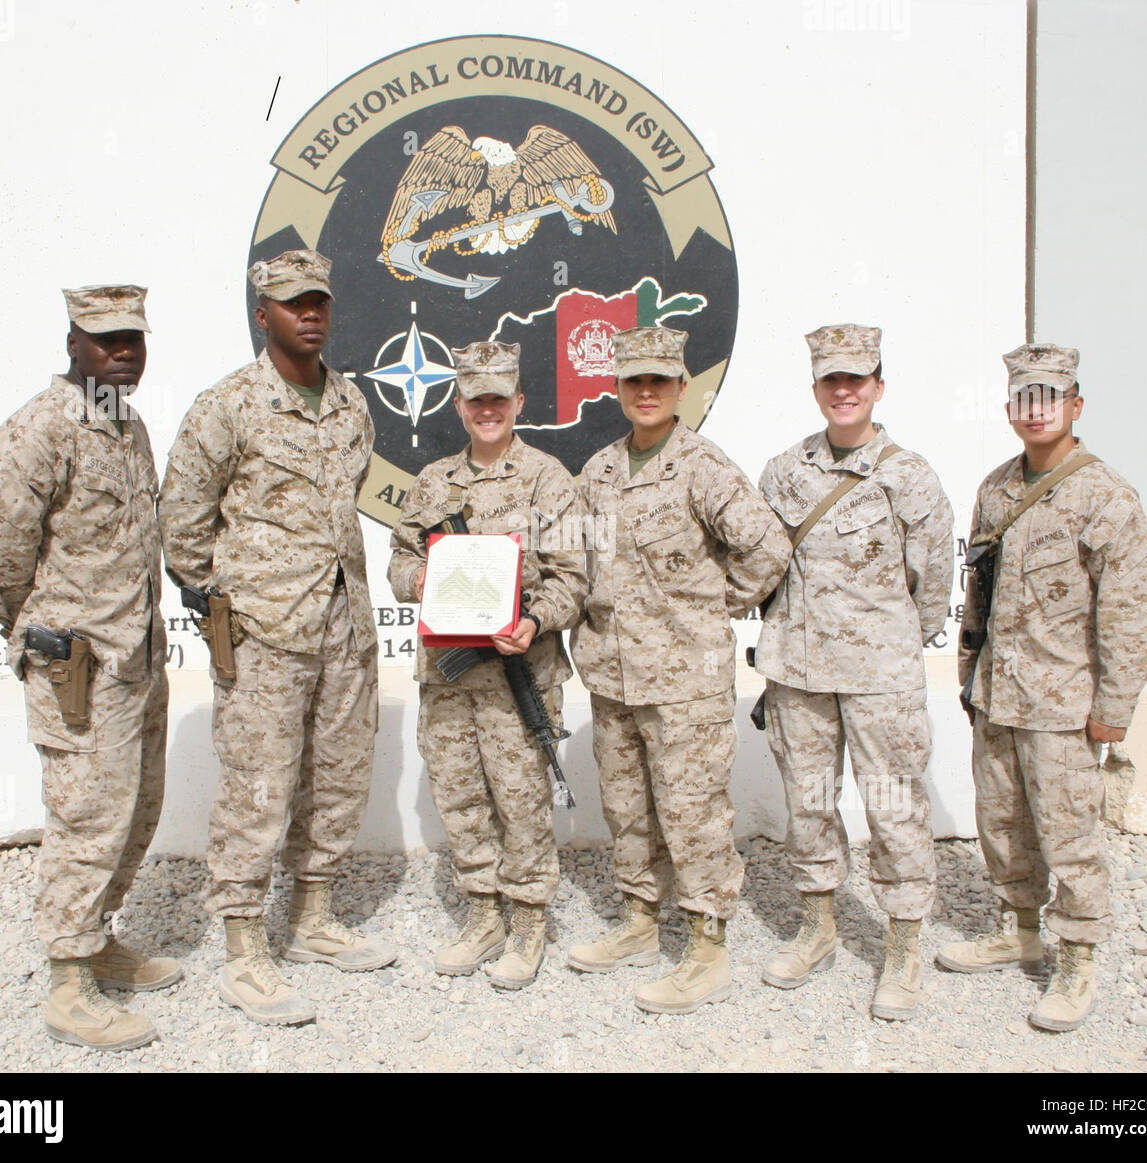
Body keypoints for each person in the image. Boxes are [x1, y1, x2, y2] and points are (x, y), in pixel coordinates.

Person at [158, 249, 393, 1027]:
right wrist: (232, 599)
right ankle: (243, 946)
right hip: (264, 630)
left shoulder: (352, 402)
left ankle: (314, 914)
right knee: (258, 785)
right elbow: (182, 519)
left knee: (338, 771)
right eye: (294, 303)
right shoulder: (228, 405)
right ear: (263, 315)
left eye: (319, 299)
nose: (310, 313)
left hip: (343, 620)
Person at [0, 284, 176, 1052]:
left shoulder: (127, 425)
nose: (122, 352)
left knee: (136, 808)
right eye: (104, 339)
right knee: (85, 820)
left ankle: (98, 937)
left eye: (132, 339)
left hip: (135, 657)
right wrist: (39, 631)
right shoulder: (39, 430)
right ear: (72, 345)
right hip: (78, 667)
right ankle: (68, 983)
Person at [939, 343, 1147, 1032]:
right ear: (1010, 409)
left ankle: (1078, 958)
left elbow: (1134, 613)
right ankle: (1020, 929)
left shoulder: (1105, 495)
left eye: (1050, 397)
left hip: (1064, 704)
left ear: (1076, 406)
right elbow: (979, 592)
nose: (1035, 410)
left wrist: (1113, 710)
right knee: (1003, 824)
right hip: (998, 697)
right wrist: (969, 677)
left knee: (1070, 836)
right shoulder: (996, 488)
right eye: (1024, 398)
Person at [565, 325, 788, 1014]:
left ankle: (707, 946)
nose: (646, 392)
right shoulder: (599, 470)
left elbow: (768, 548)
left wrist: (708, 608)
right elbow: (577, 560)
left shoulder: (702, 466)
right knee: (627, 806)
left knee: (693, 814)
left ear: (681, 387)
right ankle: (639, 920)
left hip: (685, 682)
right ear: (618, 387)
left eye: (659, 381)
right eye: (634, 380)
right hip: (613, 675)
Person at [753, 323, 953, 1021]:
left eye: (856, 379)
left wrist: (893, 643)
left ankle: (902, 945)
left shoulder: (909, 475)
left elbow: (932, 581)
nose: (844, 390)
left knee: (894, 807)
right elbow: (762, 562)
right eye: (831, 379)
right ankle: (818, 927)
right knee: (809, 803)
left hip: (879, 678)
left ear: (878, 387)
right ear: (815, 388)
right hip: (799, 672)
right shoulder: (784, 471)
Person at [387, 340, 587, 989]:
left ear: (518, 402)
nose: (488, 409)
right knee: (460, 795)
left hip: (516, 674)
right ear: (459, 404)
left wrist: (536, 619)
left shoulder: (548, 479)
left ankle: (527, 921)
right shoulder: (433, 481)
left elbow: (573, 576)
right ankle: (482, 913)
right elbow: (398, 559)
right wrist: (420, 578)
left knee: (521, 798)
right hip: (447, 676)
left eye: (499, 398)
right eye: (476, 399)